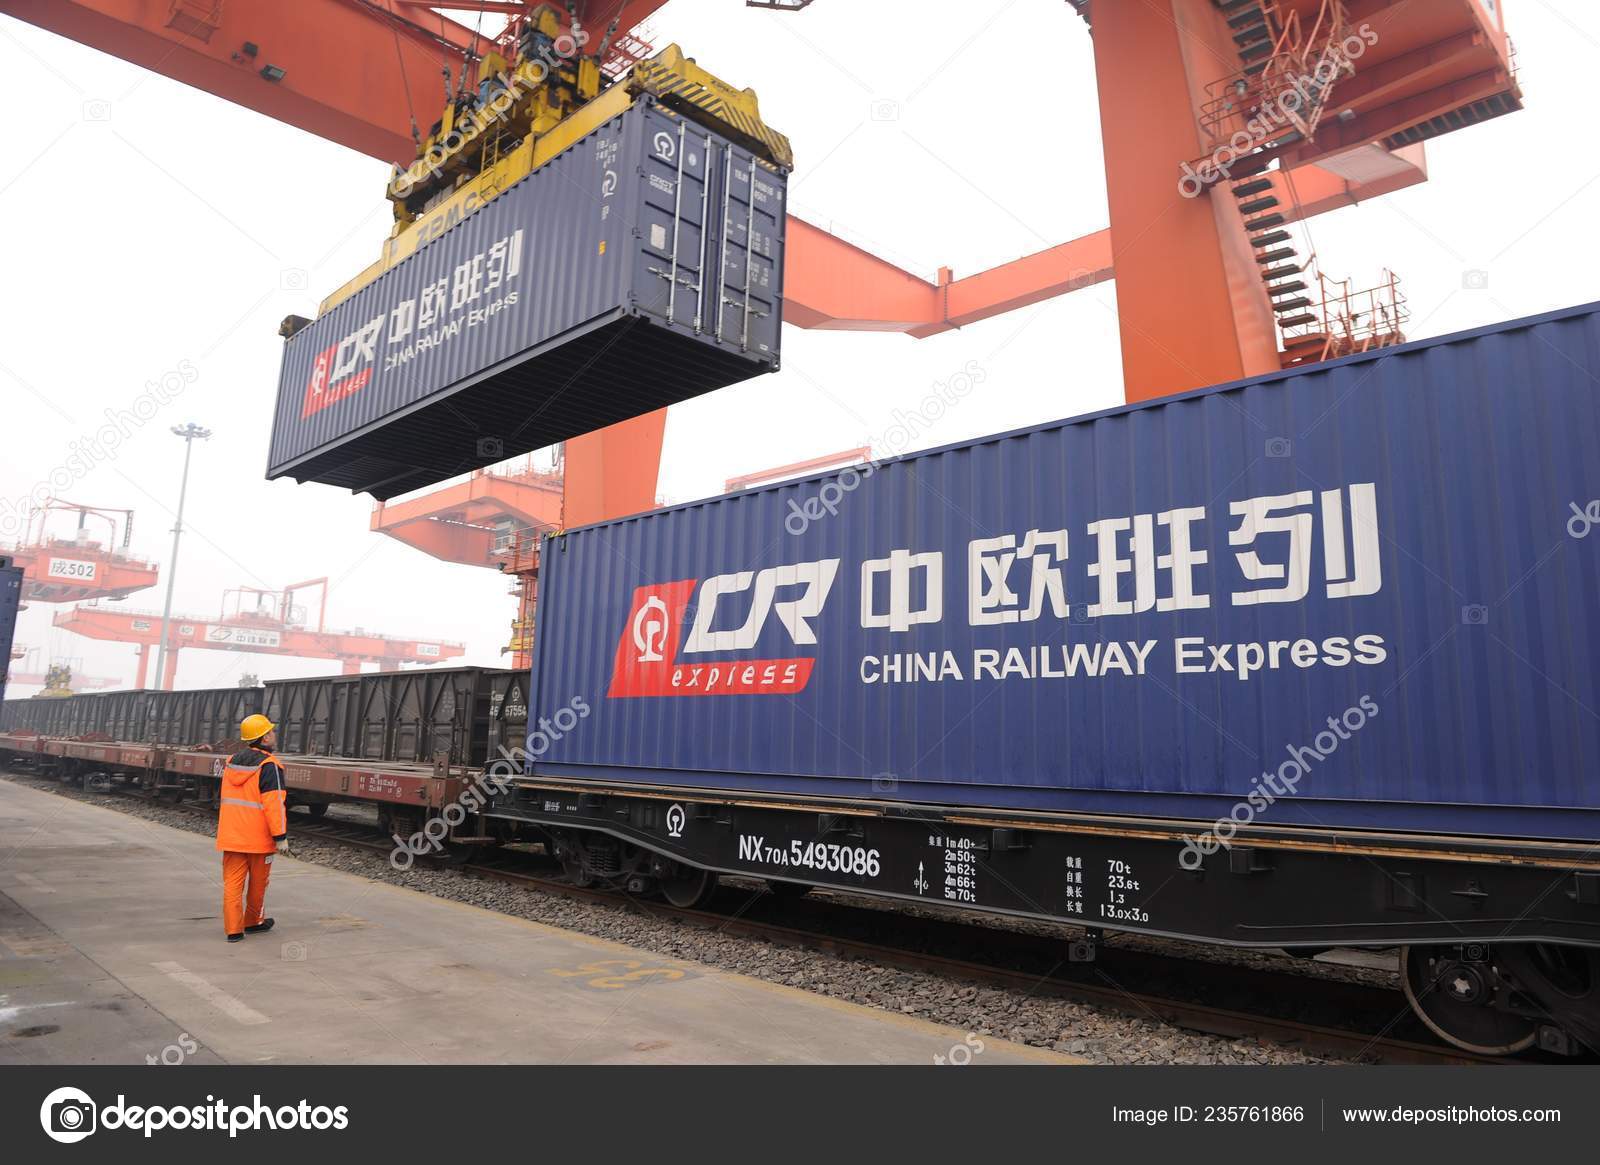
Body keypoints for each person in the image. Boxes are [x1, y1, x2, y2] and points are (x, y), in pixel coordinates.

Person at [216, 714, 290, 942]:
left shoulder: (232, 762)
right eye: (272, 731)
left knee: (232, 884)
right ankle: (254, 921)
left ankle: (233, 930)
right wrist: (280, 836)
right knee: (258, 883)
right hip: (258, 840)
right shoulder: (269, 766)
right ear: (265, 737)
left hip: (231, 836)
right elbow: (274, 805)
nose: (274, 733)